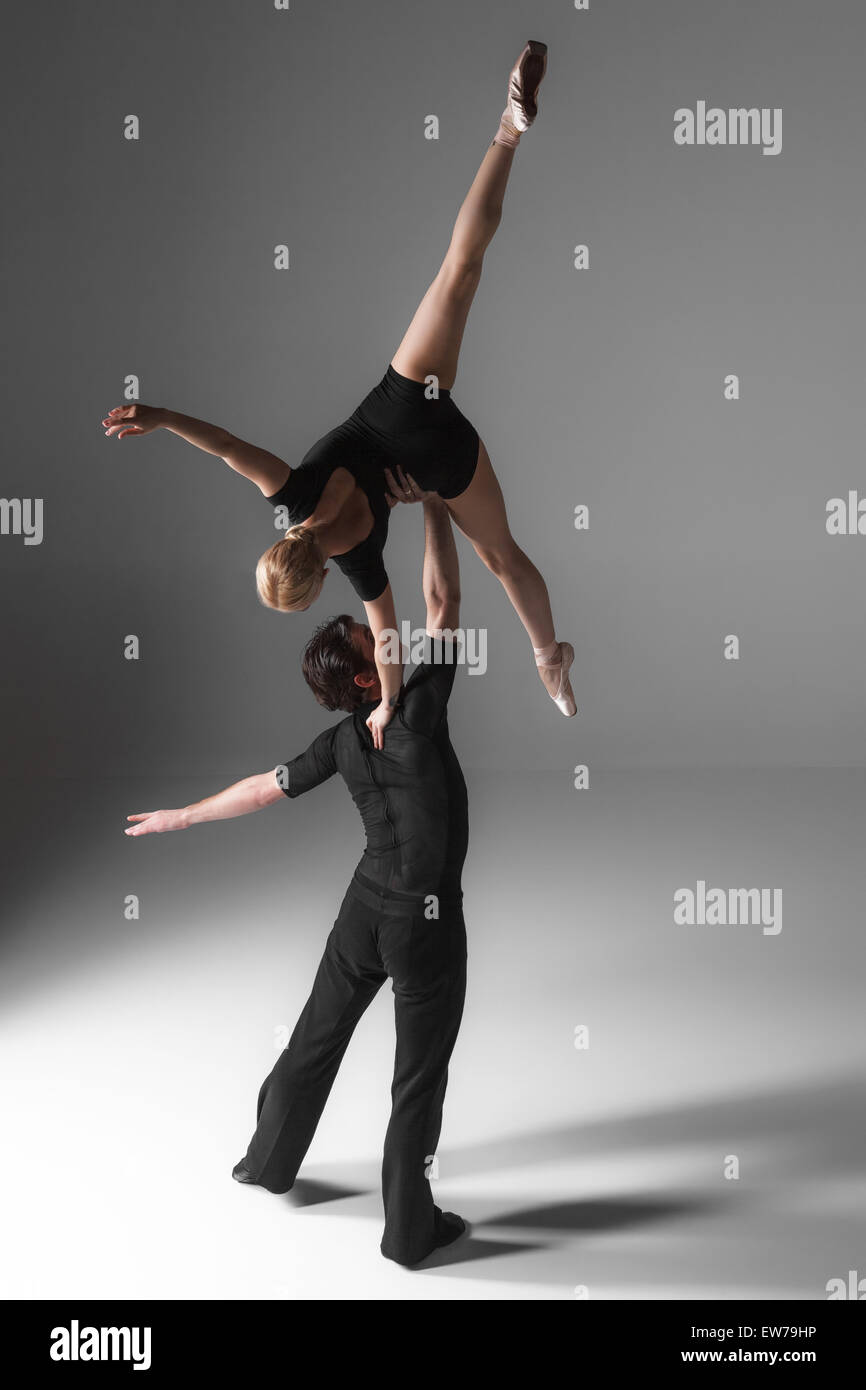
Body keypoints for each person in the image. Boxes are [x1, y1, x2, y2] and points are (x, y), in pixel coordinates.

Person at [102, 41, 575, 748]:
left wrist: (386, 706)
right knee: (460, 268)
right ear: (283, 547)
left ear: (315, 580)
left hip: (438, 459)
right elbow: (229, 447)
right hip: (403, 400)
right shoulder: (288, 493)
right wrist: (162, 416)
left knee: (501, 556)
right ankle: (508, 129)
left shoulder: (359, 564)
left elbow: (389, 640)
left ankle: (550, 661)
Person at [125, 494, 471, 1266]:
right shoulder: (415, 712)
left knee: (316, 1036)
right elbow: (444, 602)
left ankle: (268, 1160)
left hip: (364, 909)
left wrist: (180, 816)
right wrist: (441, 507)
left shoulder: (343, 741)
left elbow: (260, 787)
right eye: (372, 641)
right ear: (360, 681)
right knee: (417, 1078)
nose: (389, 640)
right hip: (424, 919)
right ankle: (411, 1234)